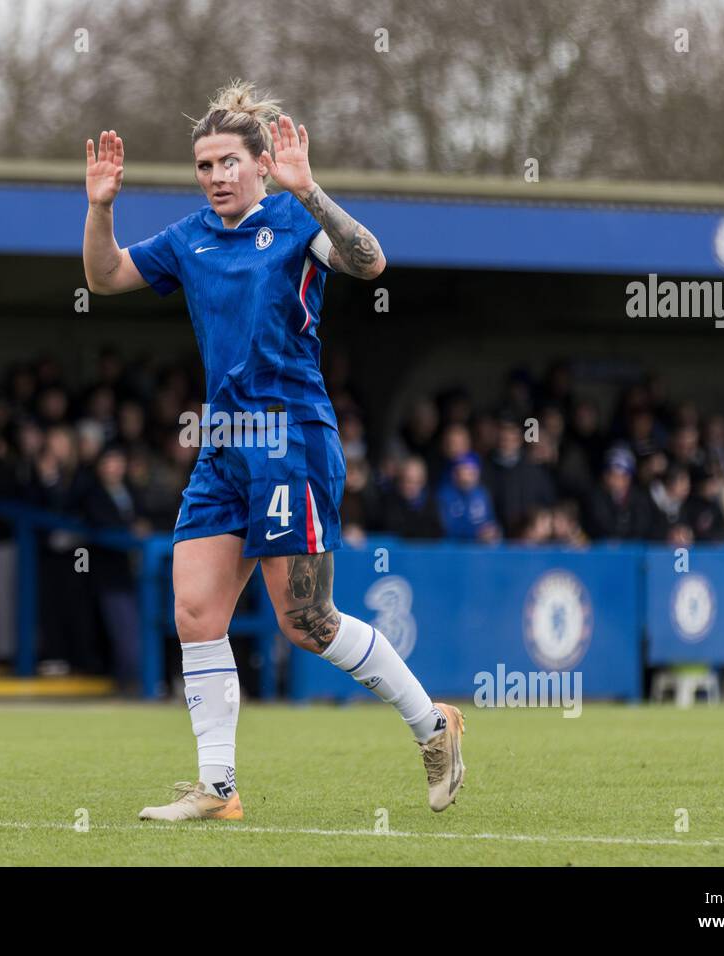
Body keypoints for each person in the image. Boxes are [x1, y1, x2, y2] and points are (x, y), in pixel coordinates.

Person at [82, 80, 465, 821]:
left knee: (306, 622)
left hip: (292, 441)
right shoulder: (189, 238)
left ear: (262, 163)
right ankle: (218, 789)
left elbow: (371, 260)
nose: (217, 176)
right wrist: (101, 208)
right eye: (204, 165)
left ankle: (433, 725)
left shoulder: (294, 222)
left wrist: (311, 188)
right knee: (195, 611)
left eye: (229, 161)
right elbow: (103, 277)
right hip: (224, 445)